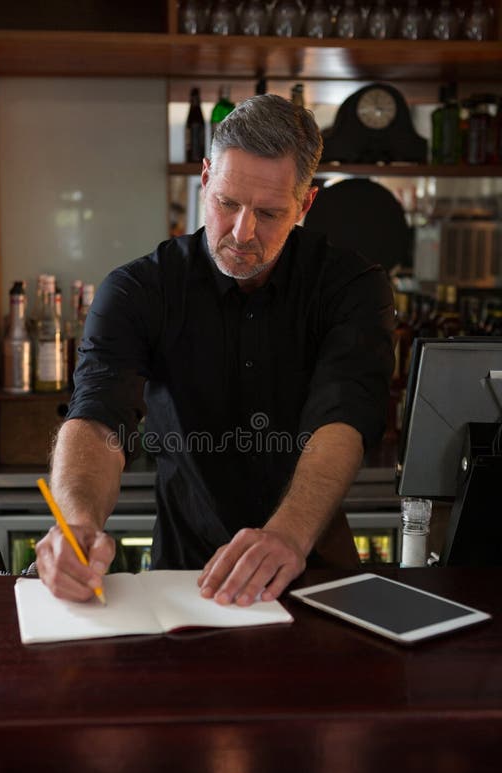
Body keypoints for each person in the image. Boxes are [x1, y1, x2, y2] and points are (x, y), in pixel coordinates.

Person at [36, 94, 395, 607]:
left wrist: (288, 535)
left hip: (313, 575)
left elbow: (342, 419)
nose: (242, 233)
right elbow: (98, 414)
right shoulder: (140, 289)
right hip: (184, 581)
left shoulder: (351, 287)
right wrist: (77, 520)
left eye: (269, 213)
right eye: (227, 203)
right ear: (205, 178)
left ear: (305, 204)